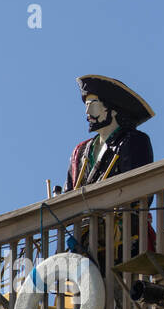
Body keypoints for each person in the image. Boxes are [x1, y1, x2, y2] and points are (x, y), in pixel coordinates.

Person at [60, 75, 157, 265]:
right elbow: (68, 197)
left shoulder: (133, 141)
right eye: (86, 105)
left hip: (124, 238)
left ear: (112, 110)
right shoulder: (79, 152)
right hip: (85, 241)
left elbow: (140, 194)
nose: (87, 111)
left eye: (93, 104)